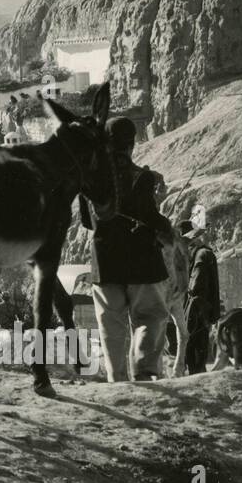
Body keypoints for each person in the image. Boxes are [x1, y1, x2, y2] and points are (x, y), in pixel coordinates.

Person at [79, 117, 173, 382]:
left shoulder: (89, 180)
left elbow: (86, 221)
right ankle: (144, 372)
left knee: (111, 326)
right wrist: (164, 222)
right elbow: (150, 217)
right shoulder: (142, 177)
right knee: (149, 317)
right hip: (142, 263)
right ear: (132, 144)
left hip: (105, 265)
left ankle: (117, 380)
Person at [178, 217, 220, 375]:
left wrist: (188, 296)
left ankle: (195, 373)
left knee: (193, 342)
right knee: (198, 344)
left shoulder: (201, 255)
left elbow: (197, 283)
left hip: (197, 307)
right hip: (203, 307)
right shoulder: (204, 253)